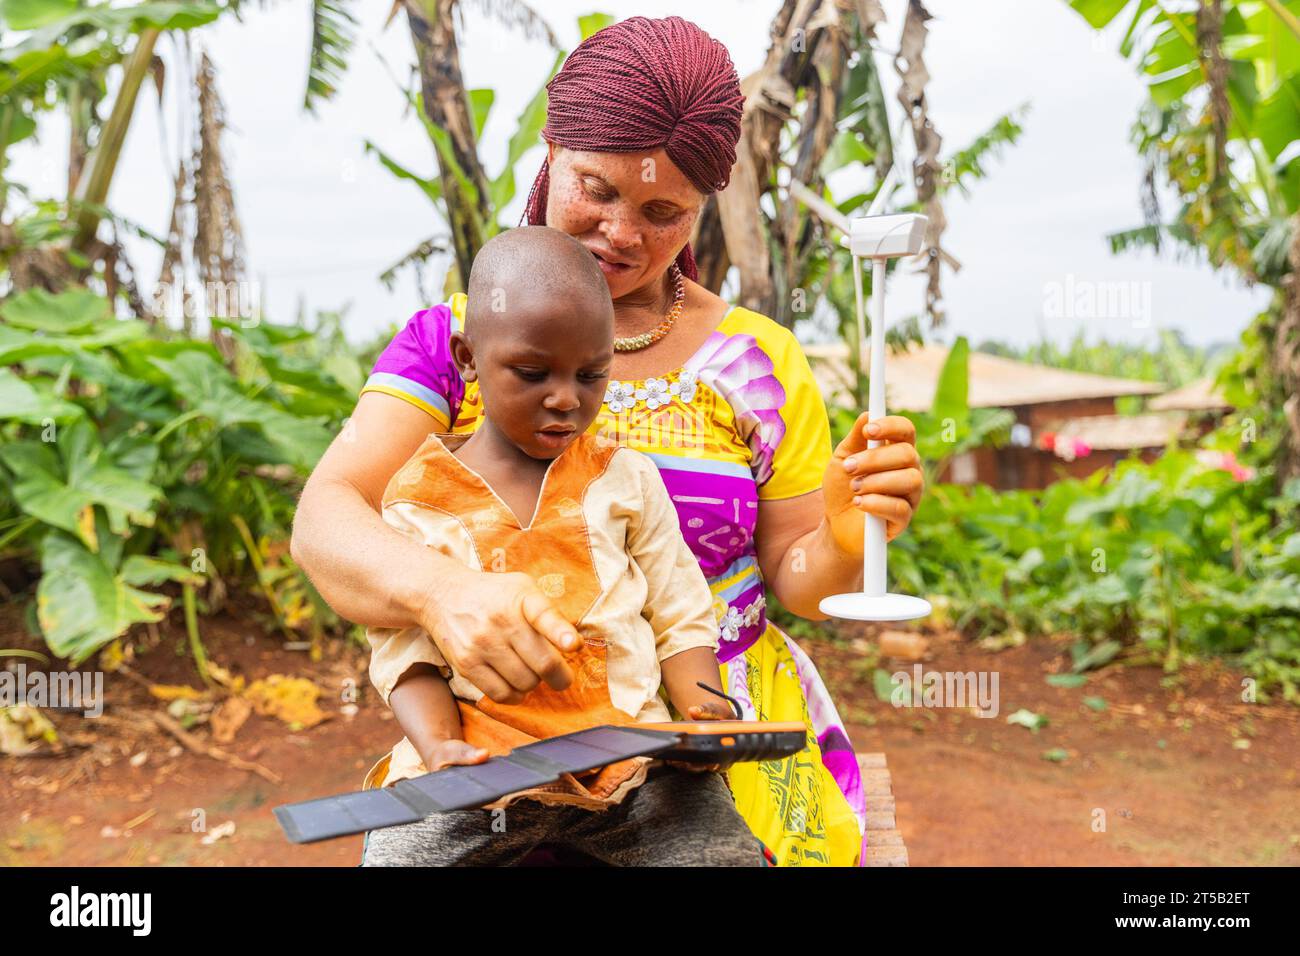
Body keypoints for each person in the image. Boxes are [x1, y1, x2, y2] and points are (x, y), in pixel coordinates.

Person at [292, 15, 924, 867]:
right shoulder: (457, 341)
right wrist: (443, 594)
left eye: (664, 211)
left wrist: (850, 530)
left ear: (704, 207)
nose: (622, 234)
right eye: (597, 188)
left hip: (711, 736)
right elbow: (327, 519)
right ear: (551, 151)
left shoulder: (758, 362)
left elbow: (800, 583)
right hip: (500, 739)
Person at [360, 226, 764, 866]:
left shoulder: (625, 476)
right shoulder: (418, 498)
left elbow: (679, 609)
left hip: (633, 759)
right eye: (532, 372)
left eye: (590, 375)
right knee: (399, 859)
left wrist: (702, 712)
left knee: (718, 853)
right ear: (468, 360)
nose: (565, 398)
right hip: (482, 770)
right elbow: (402, 647)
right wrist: (442, 752)